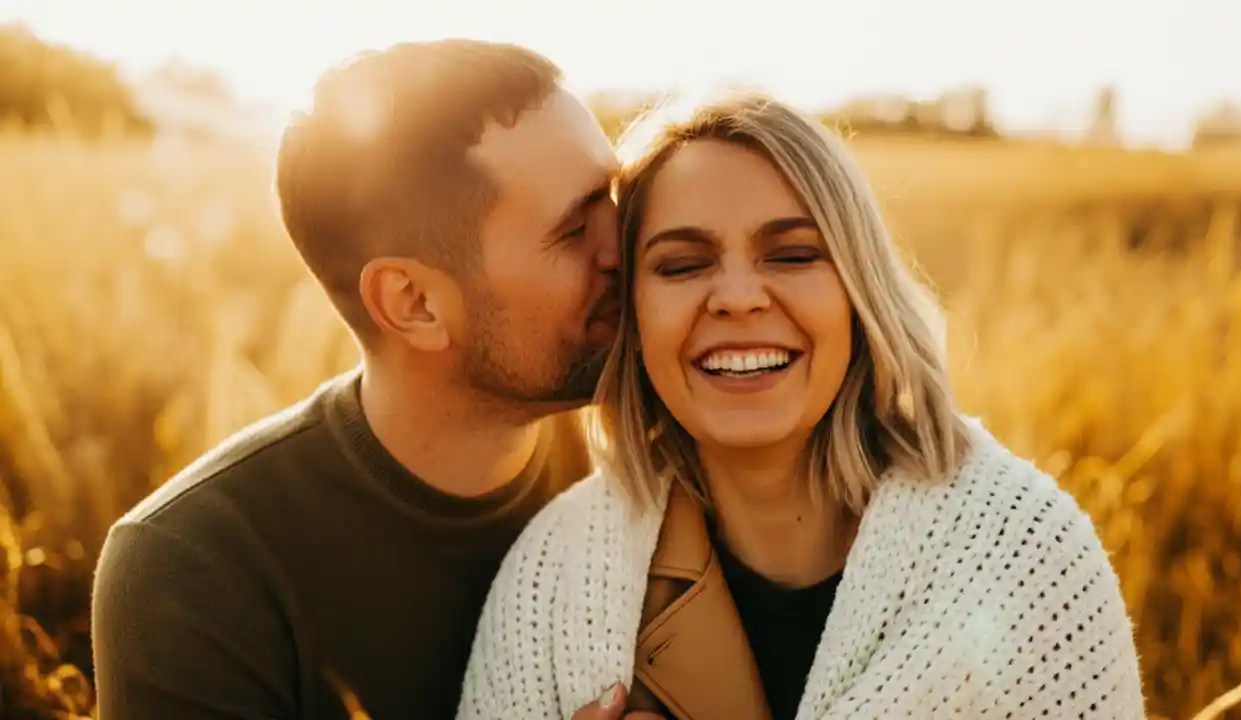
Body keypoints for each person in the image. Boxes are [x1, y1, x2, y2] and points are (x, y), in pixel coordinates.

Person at [460, 94, 1146, 719]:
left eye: (791, 255)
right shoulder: (551, 583)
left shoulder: (1025, 552)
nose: (737, 297)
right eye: (682, 264)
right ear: (633, 319)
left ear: (859, 293)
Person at [91, 40, 633, 719]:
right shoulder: (196, 567)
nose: (629, 245)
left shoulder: (656, 466)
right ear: (415, 304)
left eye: (617, 195)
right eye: (576, 227)